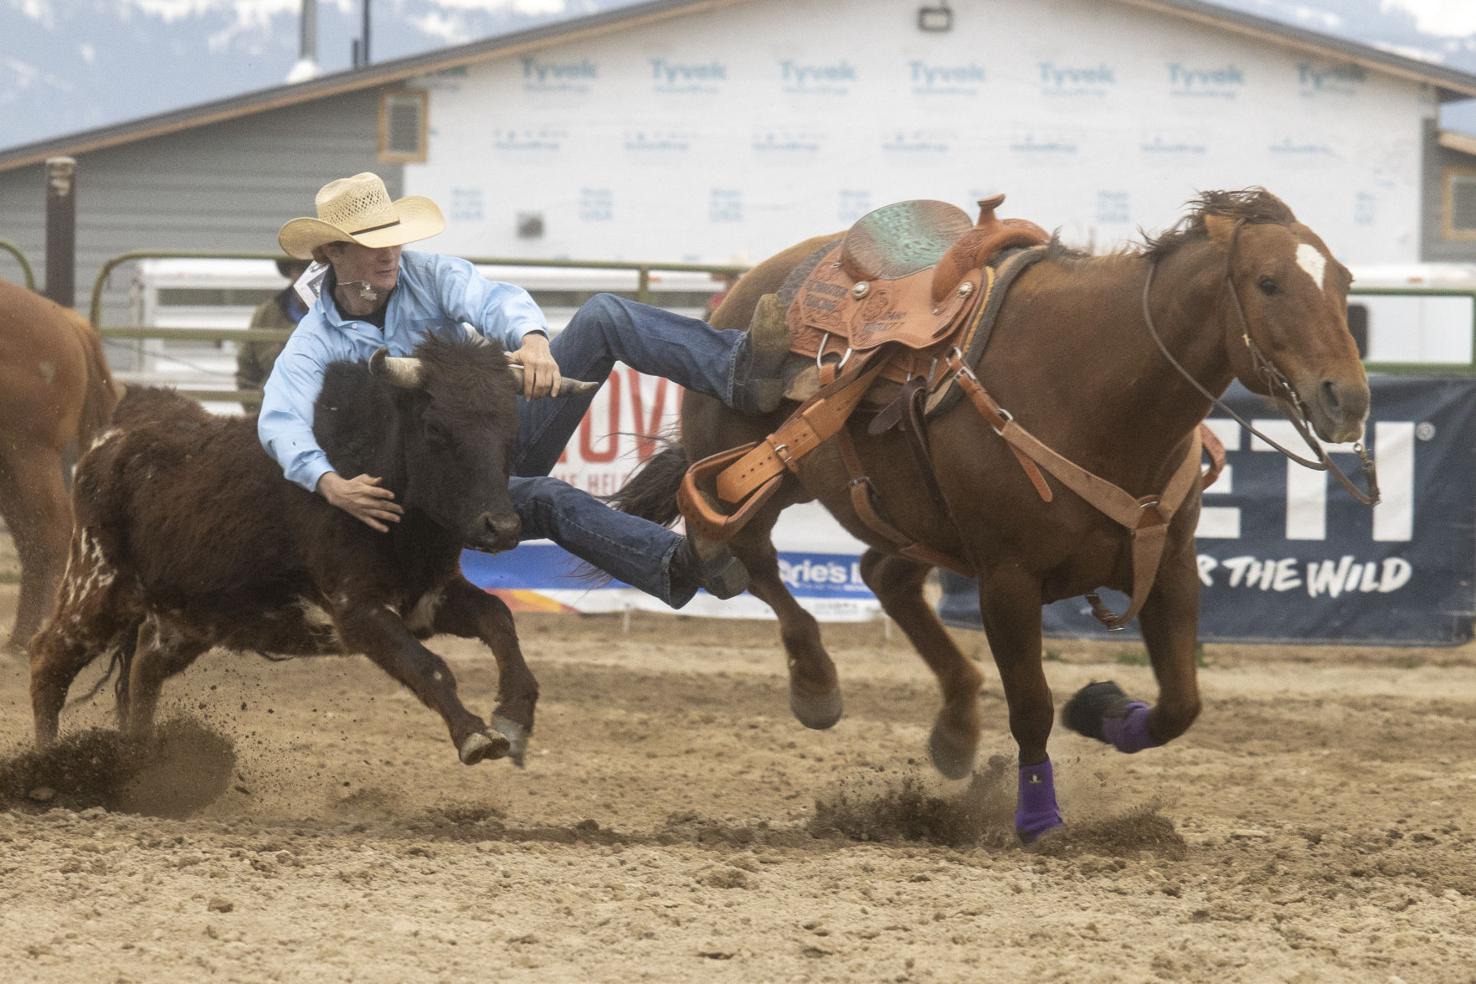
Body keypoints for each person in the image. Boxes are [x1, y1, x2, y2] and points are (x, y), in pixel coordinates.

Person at [260, 172, 790, 608]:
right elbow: (279, 421)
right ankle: (679, 563)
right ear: (333, 252)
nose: (390, 254)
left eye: (394, 239)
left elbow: (490, 299)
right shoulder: (314, 342)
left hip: (492, 441)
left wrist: (532, 339)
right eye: (372, 244)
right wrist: (328, 482)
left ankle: (741, 371)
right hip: (433, 487)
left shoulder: (427, 276)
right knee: (544, 497)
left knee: (603, 316)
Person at [237, 258, 310, 411]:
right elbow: (247, 372)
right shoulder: (266, 314)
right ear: (290, 271)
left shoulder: (342, 313)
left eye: (314, 269)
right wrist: (258, 416)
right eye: (301, 269)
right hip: (274, 412)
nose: (308, 276)